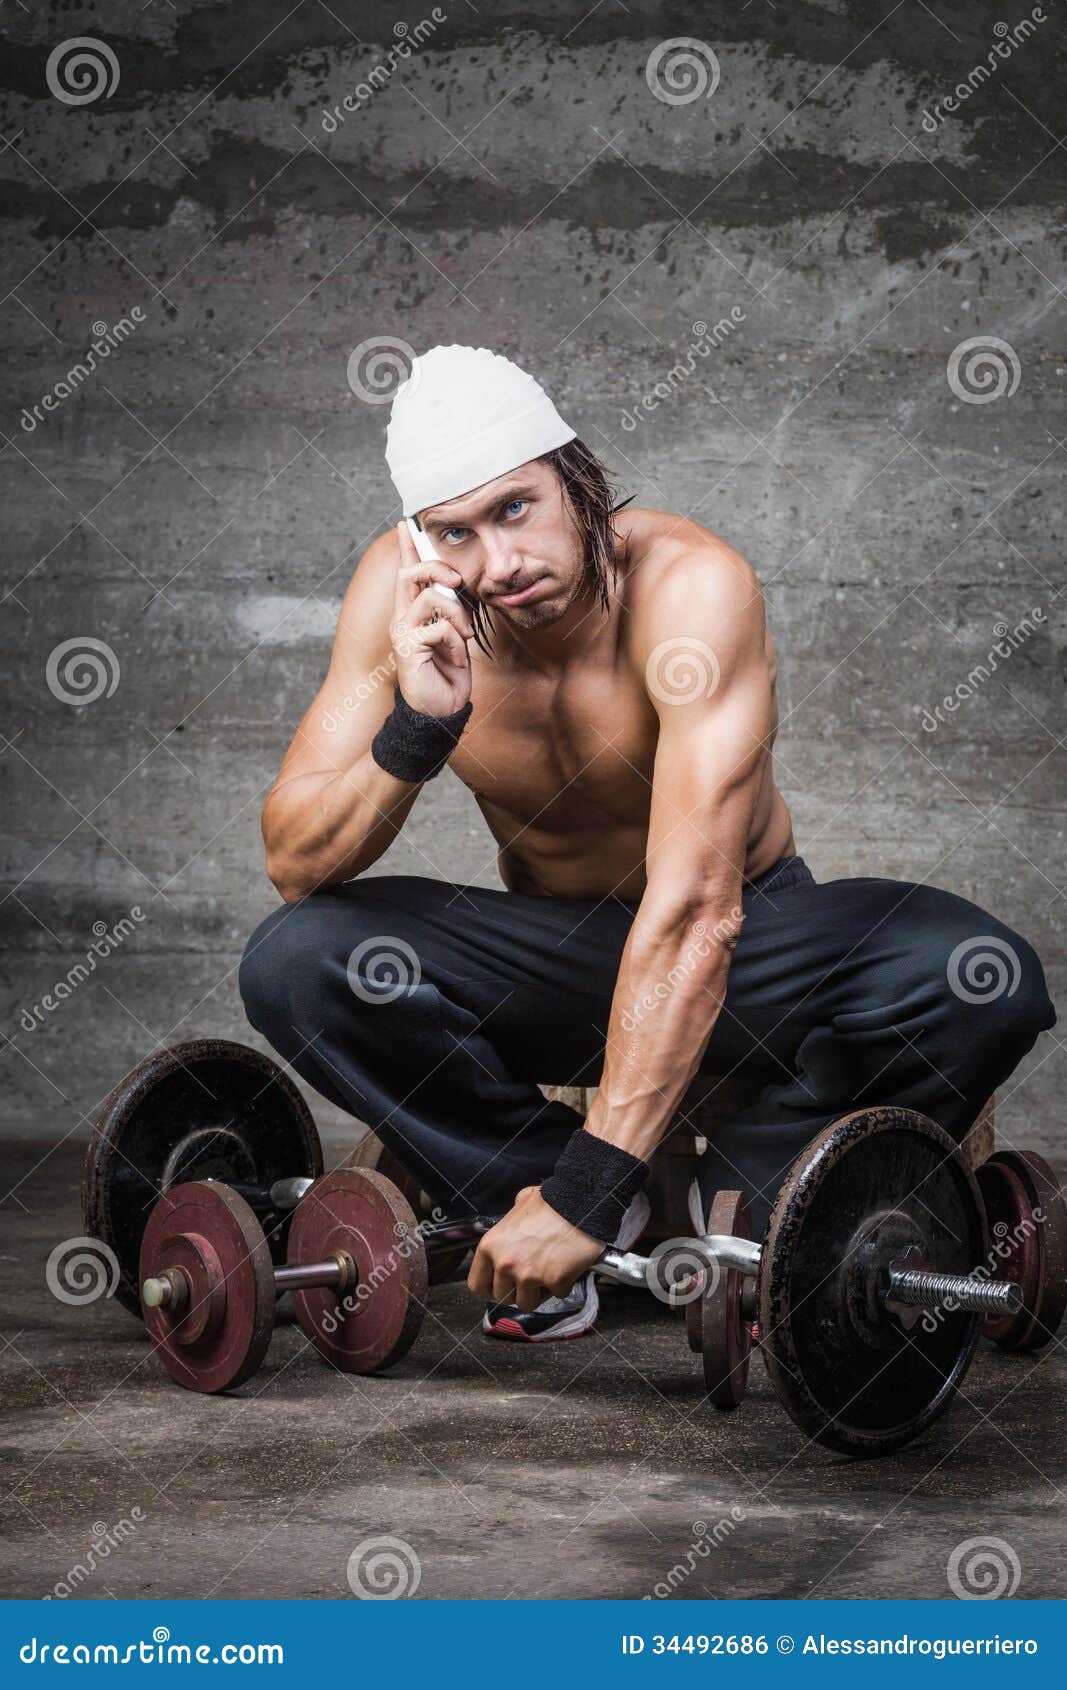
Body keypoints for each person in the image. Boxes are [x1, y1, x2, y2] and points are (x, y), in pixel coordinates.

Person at [238, 344, 1056, 1342]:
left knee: (979, 975)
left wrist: (591, 1180)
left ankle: (749, 1199)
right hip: (561, 957)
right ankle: (539, 1193)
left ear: (575, 480)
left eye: (515, 509)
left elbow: (695, 913)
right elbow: (294, 862)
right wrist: (416, 726)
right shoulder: (401, 601)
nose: (498, 563)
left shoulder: (689, 587)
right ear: (421, 541)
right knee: (295, 960)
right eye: (456, 532)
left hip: (754, 943)